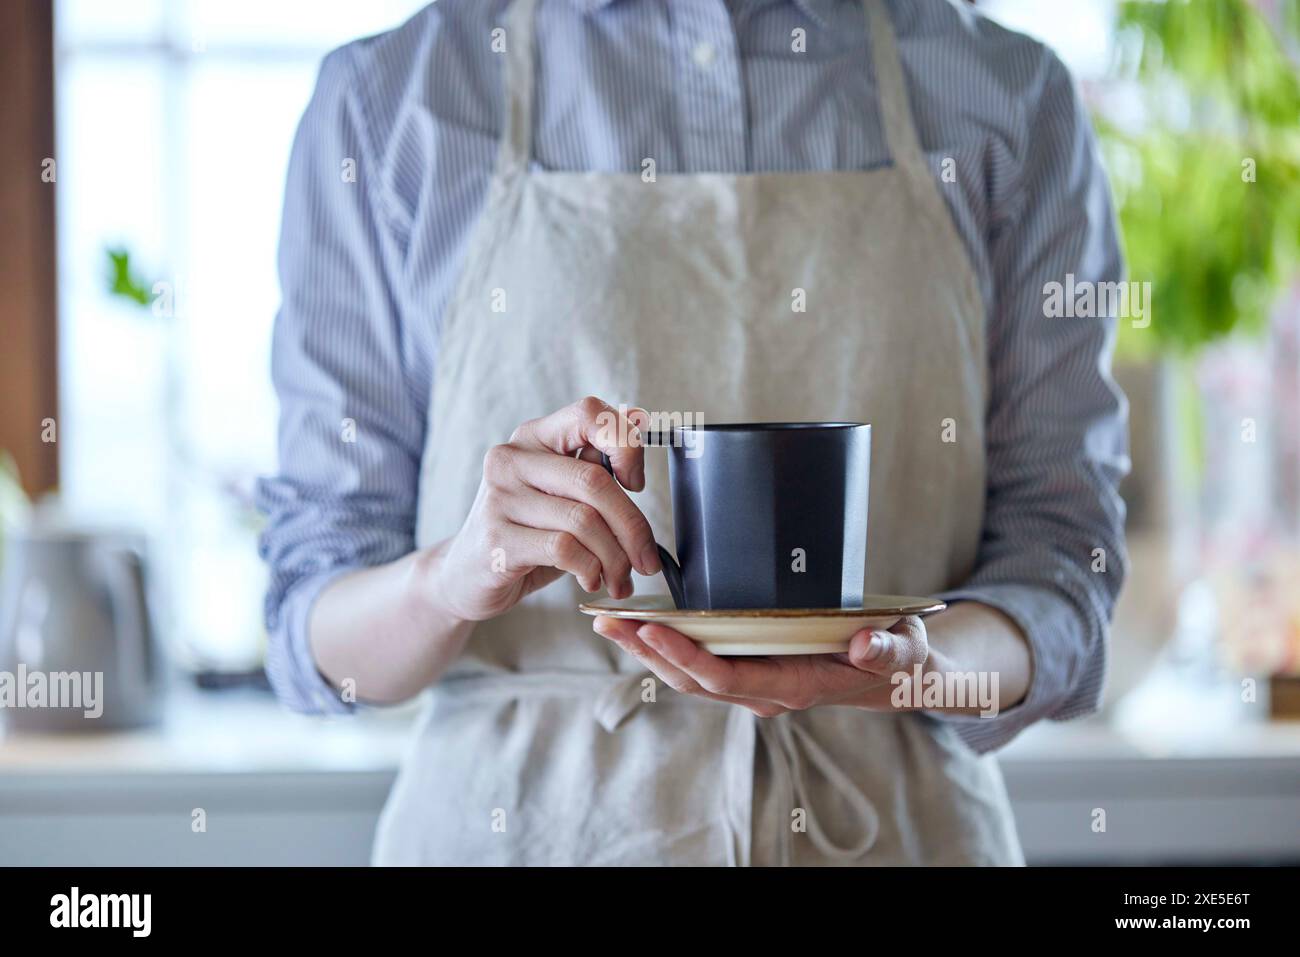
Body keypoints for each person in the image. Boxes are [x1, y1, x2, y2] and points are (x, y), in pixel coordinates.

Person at [258, 0, 1128, 865]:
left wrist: (919, 665)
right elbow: (314, 623)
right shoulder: (387, 99)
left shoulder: (1006, 92)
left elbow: (1059, 562)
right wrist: (451, 578)